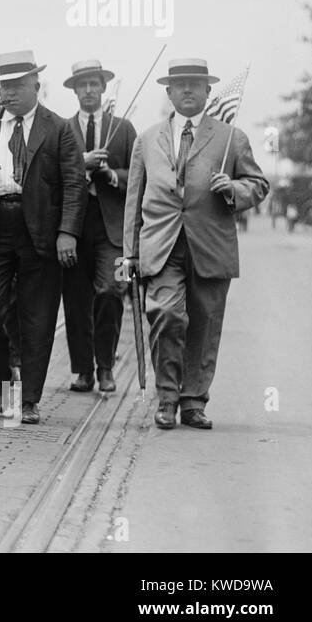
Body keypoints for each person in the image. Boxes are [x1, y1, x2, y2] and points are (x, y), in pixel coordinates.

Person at [122, 58, 268, 430]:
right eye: (180, 84)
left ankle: (193, 401)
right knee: (166, 315)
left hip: (211, 245)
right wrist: (128, 254)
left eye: (195, 84)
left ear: (207, 91)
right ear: (169, 92)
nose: (187, 90)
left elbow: (258, 184)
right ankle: (168, 398)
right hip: (162, 246)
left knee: (204, 325)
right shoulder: (146, 139)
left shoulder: (231, 138)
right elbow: (133, 200)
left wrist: (233, 188)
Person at [0, 50, 85, 425]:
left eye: (16, 86)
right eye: (3, 86)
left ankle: (28, 400)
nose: (7, 93)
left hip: (40, 231)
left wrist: (67, 233)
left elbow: (75, 183)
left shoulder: (59, 129)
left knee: (37, 317)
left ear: (36, 87)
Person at [59, 60, 137, 393]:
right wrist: (82, 163)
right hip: (73, 227)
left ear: (104, 88)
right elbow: (50, 176)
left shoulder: (124, 128)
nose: (89, 90)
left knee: (112, 292)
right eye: (83, 85)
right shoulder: (61, 130)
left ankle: (105, 365)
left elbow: (138, 176)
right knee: (76, 299)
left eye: (94, 84)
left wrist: (110, 175)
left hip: (113, 231)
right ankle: (82, 370)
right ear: (74, 90)